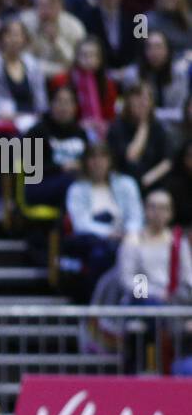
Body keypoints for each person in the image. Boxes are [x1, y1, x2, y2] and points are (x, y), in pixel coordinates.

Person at [62, 142, 143, 301]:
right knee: (101, 254)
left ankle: (141, 299)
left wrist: (130, 234)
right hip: (92, 240)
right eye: (93, 158)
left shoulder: (127, 184)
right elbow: (80, 224)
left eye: (102, 157)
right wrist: (109, 233)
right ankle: (96, 303)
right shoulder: (77, 188)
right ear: (86, 162)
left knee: (142, 254)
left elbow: (136, 216)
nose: (98, 162)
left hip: (126, 237)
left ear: (110, 160)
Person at [0, 18, 47, 137]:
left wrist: (36, 116)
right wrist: (8, 116)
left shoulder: (33, 65)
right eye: (9, 35)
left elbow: (41, 102)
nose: (14, 39)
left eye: (18, 35)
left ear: (25, 39)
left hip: (28, 120)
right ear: (1, 38)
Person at [117, 189, 192, 304]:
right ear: (145, 210)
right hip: (142, 301)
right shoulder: (133, 241)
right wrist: (155, 294)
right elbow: (127, 279)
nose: (157, 212)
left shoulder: (179, 242)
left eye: (163, 208)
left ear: (171, 213)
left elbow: (187, 276)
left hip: (174, 300)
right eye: (152, 207)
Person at [24, 82, 90, 210]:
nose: (63, 107)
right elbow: (30, 169)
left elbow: (87, 160)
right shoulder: (37, 131)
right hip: (41, 184)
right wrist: (61, 168)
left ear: (75, 107)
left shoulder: (81, 133)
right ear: (51, 105)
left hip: (74, 181)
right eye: (59, 101)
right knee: (73, 185)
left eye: (68, 102)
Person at [107, 81, 173, 189]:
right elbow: (131, 157)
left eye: (146, 99)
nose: (142, 103)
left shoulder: (157, 127)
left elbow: (167, 161)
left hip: (151, 182)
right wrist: (143, 125)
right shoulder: (117, 127)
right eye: (138, 98)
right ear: (128, 101)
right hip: (123, 182)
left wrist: (148, 179)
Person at [52, 36, 117, 141]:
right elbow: (56, 113)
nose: (88, 60)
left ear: (100, 58)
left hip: (101, 131)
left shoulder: (108, 84)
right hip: (70, 130)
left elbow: (110, 116)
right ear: (76, 57)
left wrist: (101, 125)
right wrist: (79, 125)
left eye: (92, 55)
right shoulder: (61, 80)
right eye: (84, 55)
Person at [19, 0, 86, 80]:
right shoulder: (24, 21)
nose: (44, 11)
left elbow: (77, 61)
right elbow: (19, 57)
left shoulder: (74, 26)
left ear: (61, 5)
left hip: (64, 79)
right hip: (29, 76)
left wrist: (57, 41)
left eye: (50, 6)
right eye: (40, 5)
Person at [120, 30, 189, 127]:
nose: (154, 52)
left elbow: (181, 111)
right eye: (149, 47)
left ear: (168, 50)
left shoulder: (179, 74)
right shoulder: (132, 75)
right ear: (143, 51)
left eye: (158, 47)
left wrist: (154, 114)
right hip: (137, 125)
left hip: (173, 127)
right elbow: (128, 109)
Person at [80, 0, 139, 72]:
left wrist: (128, 71)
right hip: (98, 73)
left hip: (130, 73)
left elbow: (142, 49)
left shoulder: (138, 16)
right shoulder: (85, 17)